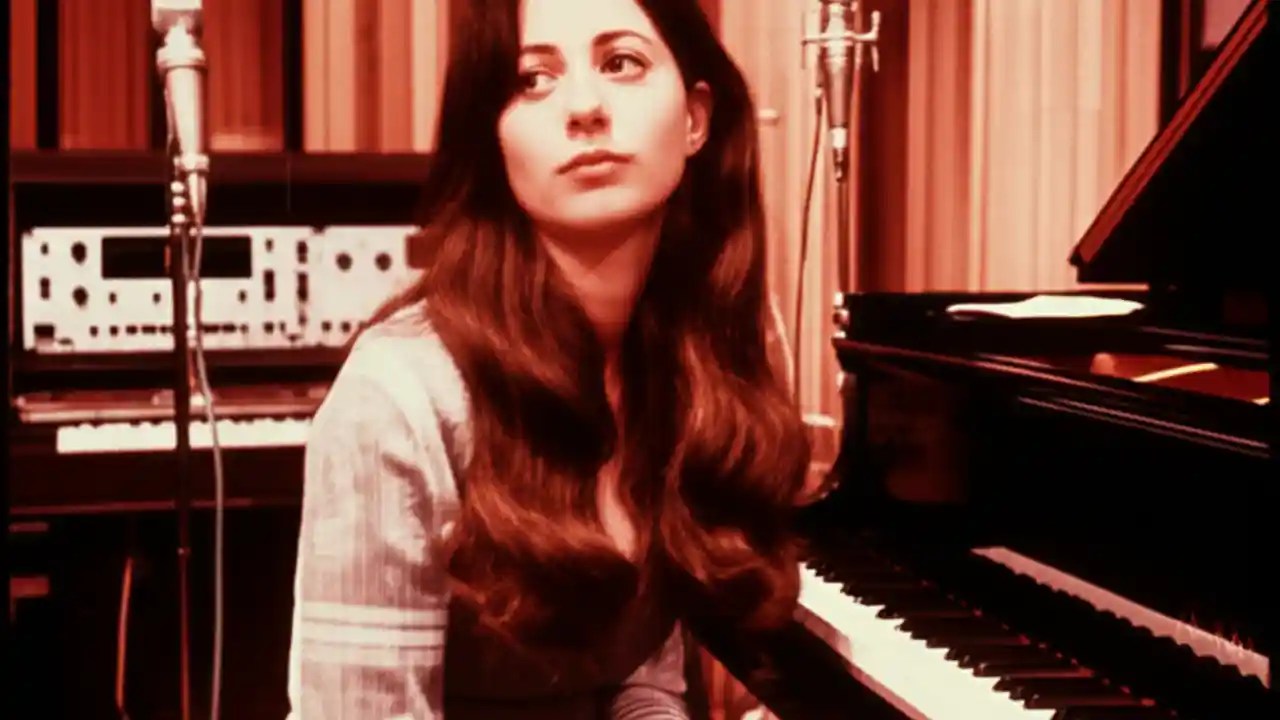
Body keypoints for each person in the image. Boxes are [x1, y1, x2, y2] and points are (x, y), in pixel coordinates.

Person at [286, 0, 811, 717]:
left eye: (621, 63)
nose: (585, 107)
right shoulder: (401, 397)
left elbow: (639, 678)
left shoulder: (691, 369)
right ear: (491, 138)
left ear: (695, 119)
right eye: (533, 79)